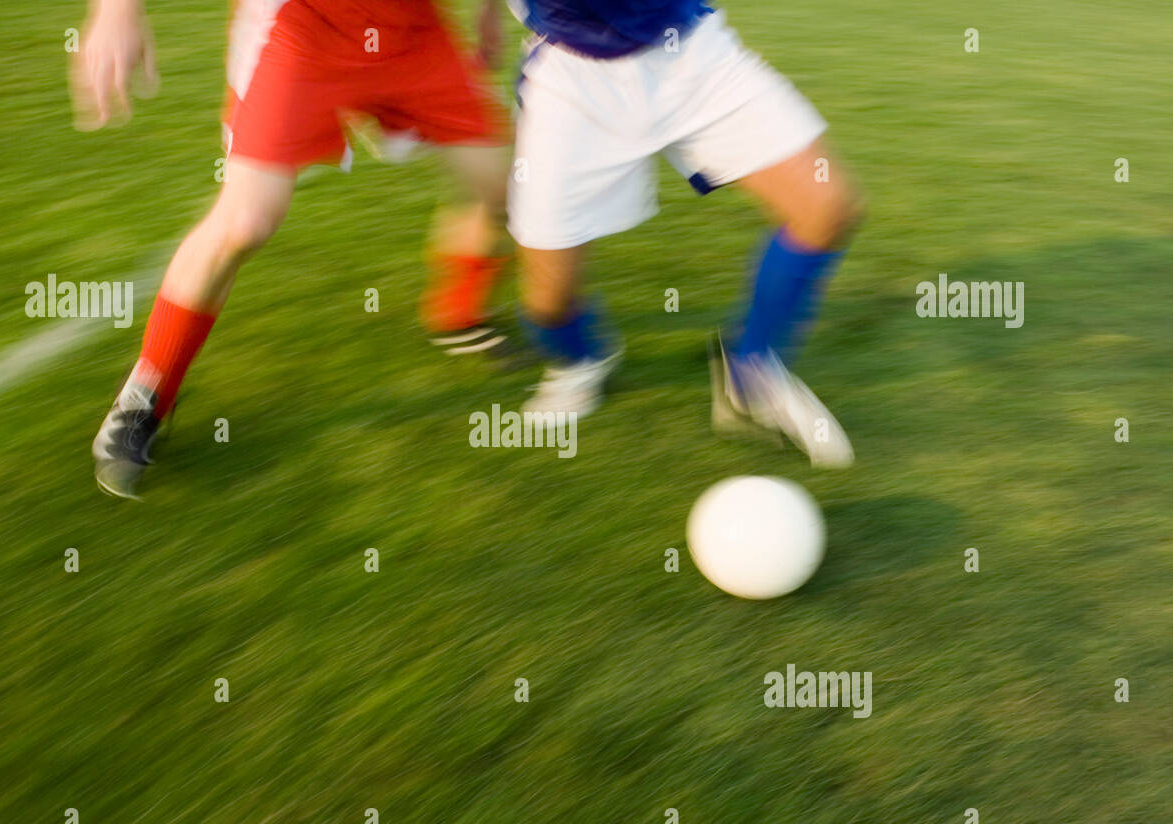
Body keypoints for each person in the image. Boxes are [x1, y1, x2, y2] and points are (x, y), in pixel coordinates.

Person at [73, 0, 513, 499]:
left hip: (413, 30)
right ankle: (147, 394)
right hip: (301, 29)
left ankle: (457, 312)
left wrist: (489, 10)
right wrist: (117, 11)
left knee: (506, 193)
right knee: (245, 221)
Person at [507, 0, 864, 467]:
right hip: (573, 77)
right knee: (548, 302)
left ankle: (752, 371)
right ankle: (582, 360)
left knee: (827, 207)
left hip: (692, 53)